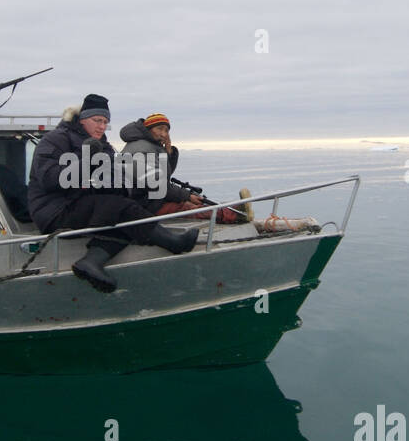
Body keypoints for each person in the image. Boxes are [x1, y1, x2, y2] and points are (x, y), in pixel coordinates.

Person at [27, 94, 198, 293]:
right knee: (120, 208)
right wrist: (87, 158)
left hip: (80, 203)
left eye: (105, 122)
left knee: (126, 206)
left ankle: (91, 262)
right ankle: (173, 243)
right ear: (82, 119)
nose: (101, 126)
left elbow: (115, 175)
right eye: (97, 120)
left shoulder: (102, 144)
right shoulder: (56, 139)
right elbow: (49, 179)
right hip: (54, 210)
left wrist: (131, 191)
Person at [119, 113, 252, 223]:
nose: (164, 134)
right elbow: (158, 184)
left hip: (150, 197)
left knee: (191, 203)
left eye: (166, 130)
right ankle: (235, 214)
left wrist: (169, 151)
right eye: (159, 128)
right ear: (148, 129)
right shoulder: (141, 149)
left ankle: (233, 210)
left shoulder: (148, 145)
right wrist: (186, 195)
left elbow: (163, 176)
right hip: (144, 203)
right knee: (187, 208)